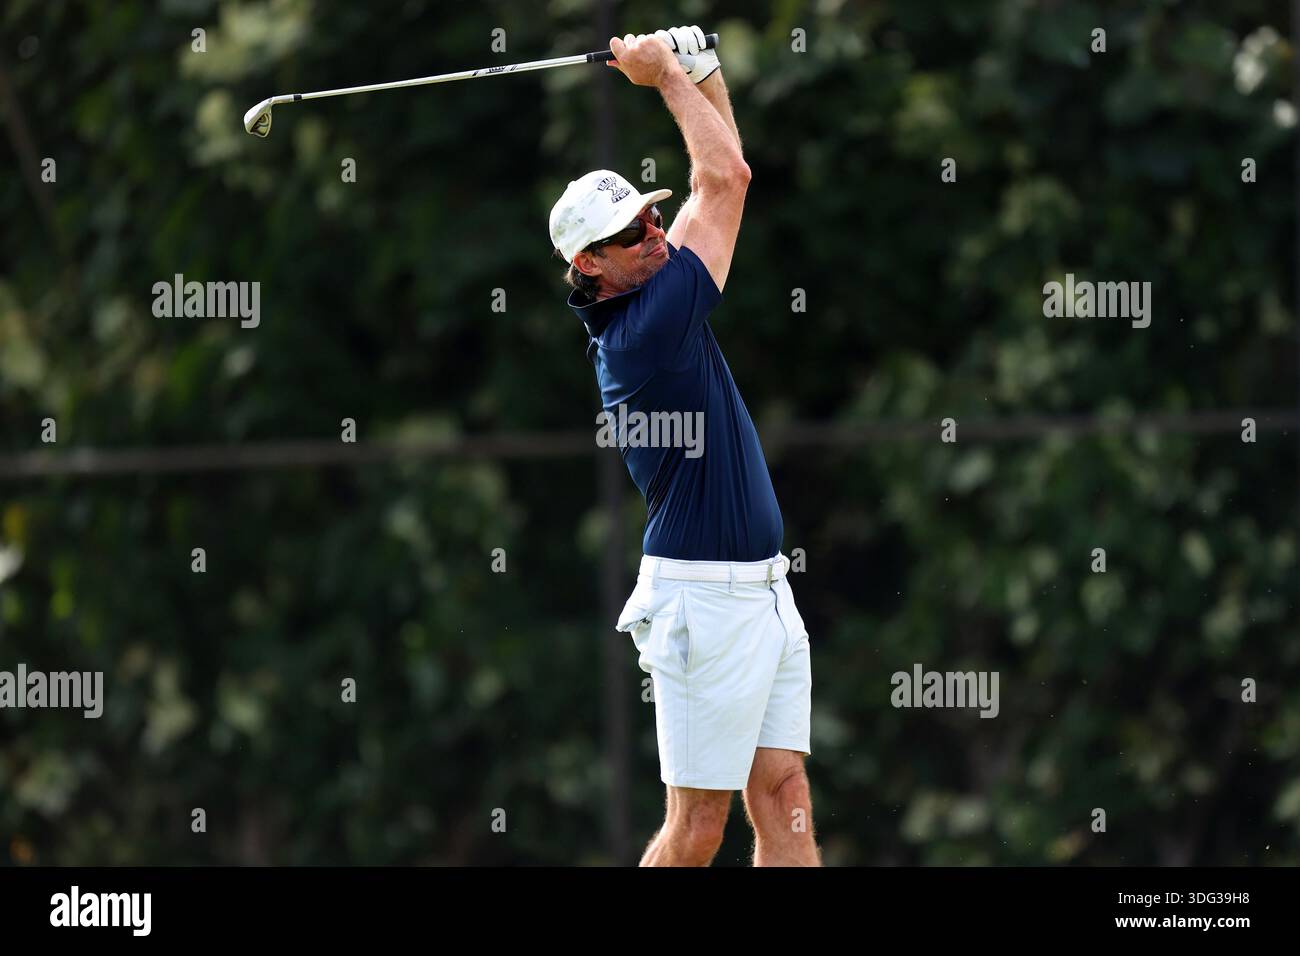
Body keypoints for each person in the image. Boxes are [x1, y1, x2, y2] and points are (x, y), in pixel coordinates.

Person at [548, 26, 821, 867]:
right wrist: (669, 77)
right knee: (697, 830)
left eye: (653, 214)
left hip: (764, 590)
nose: (656, 233)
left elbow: (720, 176)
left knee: (784, 798)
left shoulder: (656, 288)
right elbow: (727, 178)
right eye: (632, 234)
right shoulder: (641, 335)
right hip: (703, 603)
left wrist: (703, 74)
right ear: (591, 265)